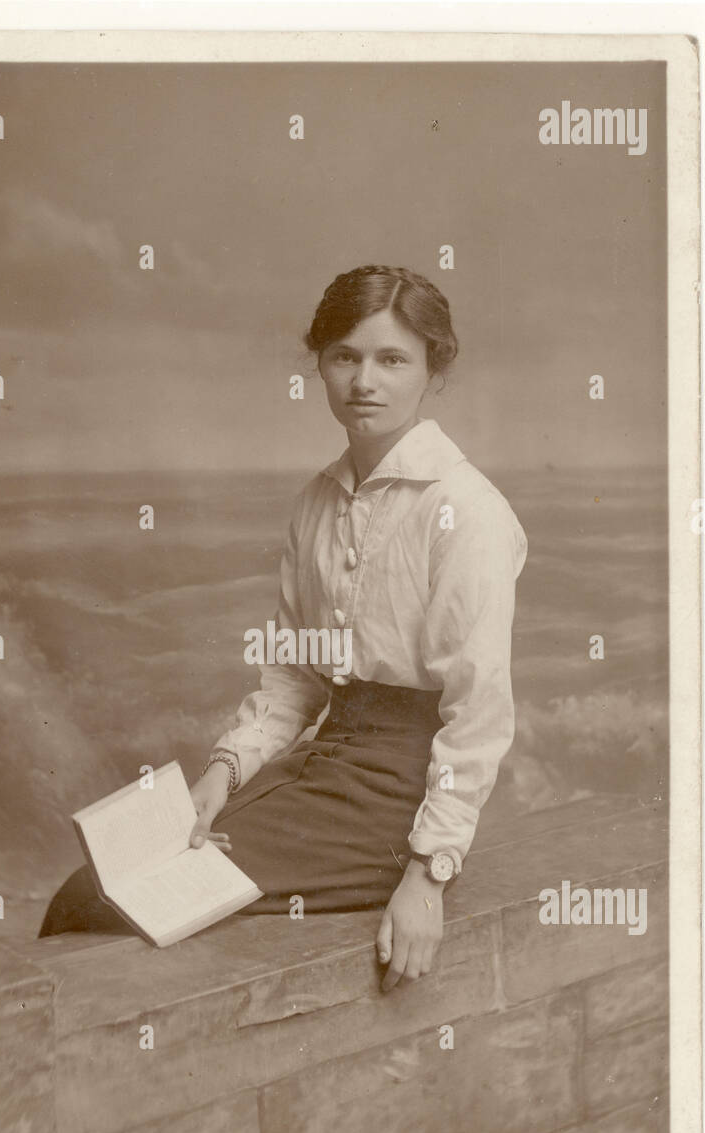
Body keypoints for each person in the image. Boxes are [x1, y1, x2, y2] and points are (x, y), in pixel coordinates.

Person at [40, 264, 528, 992]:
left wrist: (428, 878)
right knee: (101, 878)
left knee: (102, 902)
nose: (365, 380)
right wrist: (221, 773)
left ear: (434, 367)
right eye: (345, 357)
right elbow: (296, 677)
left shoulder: (466, 510)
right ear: (321, 365)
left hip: (401, 803)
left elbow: (478, 712)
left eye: (393, 359)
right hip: (325, 765)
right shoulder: (317, 502)